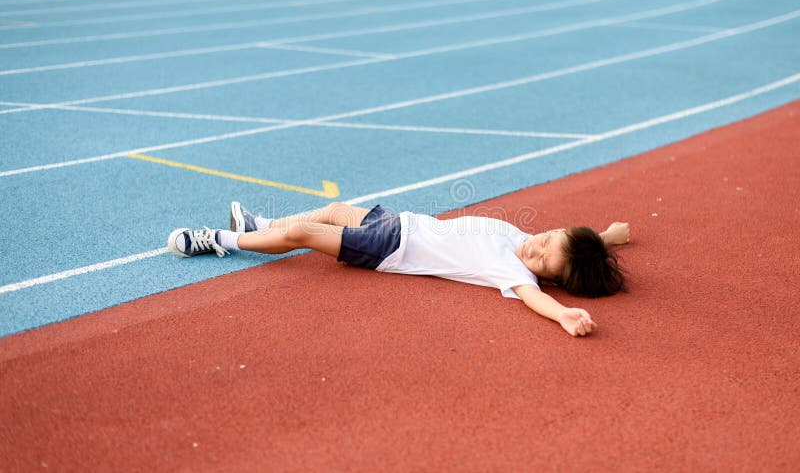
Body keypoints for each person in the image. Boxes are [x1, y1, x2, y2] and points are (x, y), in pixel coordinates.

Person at [168, 201, 629, 337]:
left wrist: (562, 314)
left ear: (547, 275)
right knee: (330, 210)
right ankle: (259, 225)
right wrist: (606, 236)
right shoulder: (527, 240)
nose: (537, 248)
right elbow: (571, 246)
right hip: (401, 224)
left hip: (389, 249)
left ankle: (218, 240)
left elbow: (535, 297)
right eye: (547, 240)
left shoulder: (512, 270)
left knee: (303, 236)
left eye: (545, 260)